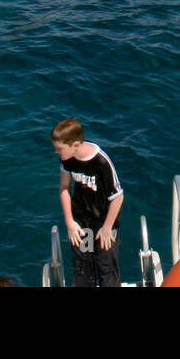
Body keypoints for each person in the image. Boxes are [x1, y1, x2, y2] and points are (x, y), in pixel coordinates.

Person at [51, 118, 123, 287]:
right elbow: (64, 187)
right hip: (81, 223)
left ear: (75, 145)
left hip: (103, 224)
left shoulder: (101, 162)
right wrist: (69, 222)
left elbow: (118, 197)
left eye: (59, 148)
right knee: (82, 268)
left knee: (106, 269)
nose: (56, 152)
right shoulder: (66, 158)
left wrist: (107, 229)